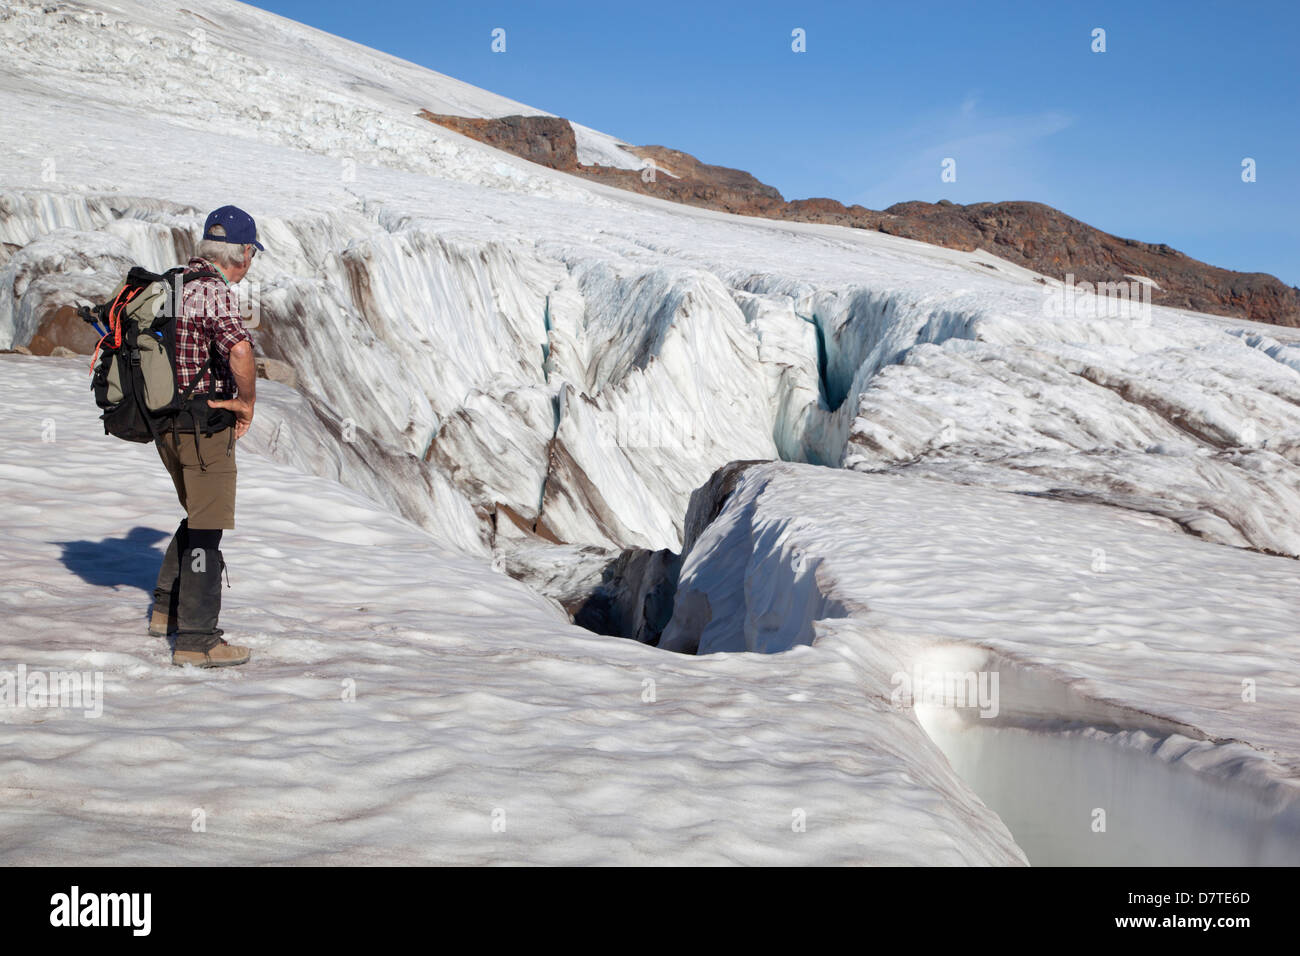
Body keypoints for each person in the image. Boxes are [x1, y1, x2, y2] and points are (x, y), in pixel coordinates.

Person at [149, 205, 261, 667]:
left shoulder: (173, 284)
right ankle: (198, 642)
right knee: (207, 531)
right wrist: (247, 401)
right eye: (253, 253)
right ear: (244, 252)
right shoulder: (215, 292)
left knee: (198, 515)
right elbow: (238, 349)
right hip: (203, 427)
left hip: (166, 425)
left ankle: (165, 611)